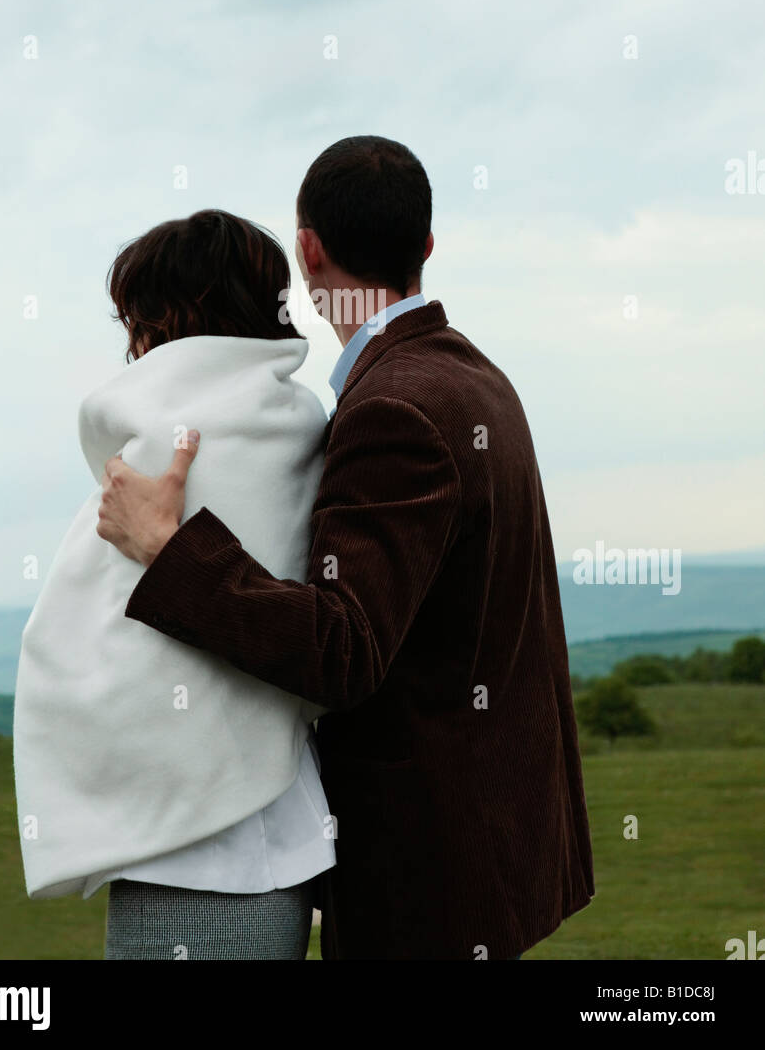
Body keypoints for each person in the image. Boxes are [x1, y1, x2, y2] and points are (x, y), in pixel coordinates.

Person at [97, 137, 596, 961]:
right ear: (426, 247)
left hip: (430, 875)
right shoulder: (477, 379)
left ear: (308, 251)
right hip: (498, 846)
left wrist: (168, 546)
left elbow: (344, 648)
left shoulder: (392, 408)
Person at [13, 211, 335, 960]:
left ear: (159, 318)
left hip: (183, 847)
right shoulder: (299, 425)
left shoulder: (167, 443)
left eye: (134, 318)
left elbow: (80, 639)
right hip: (279, 820)